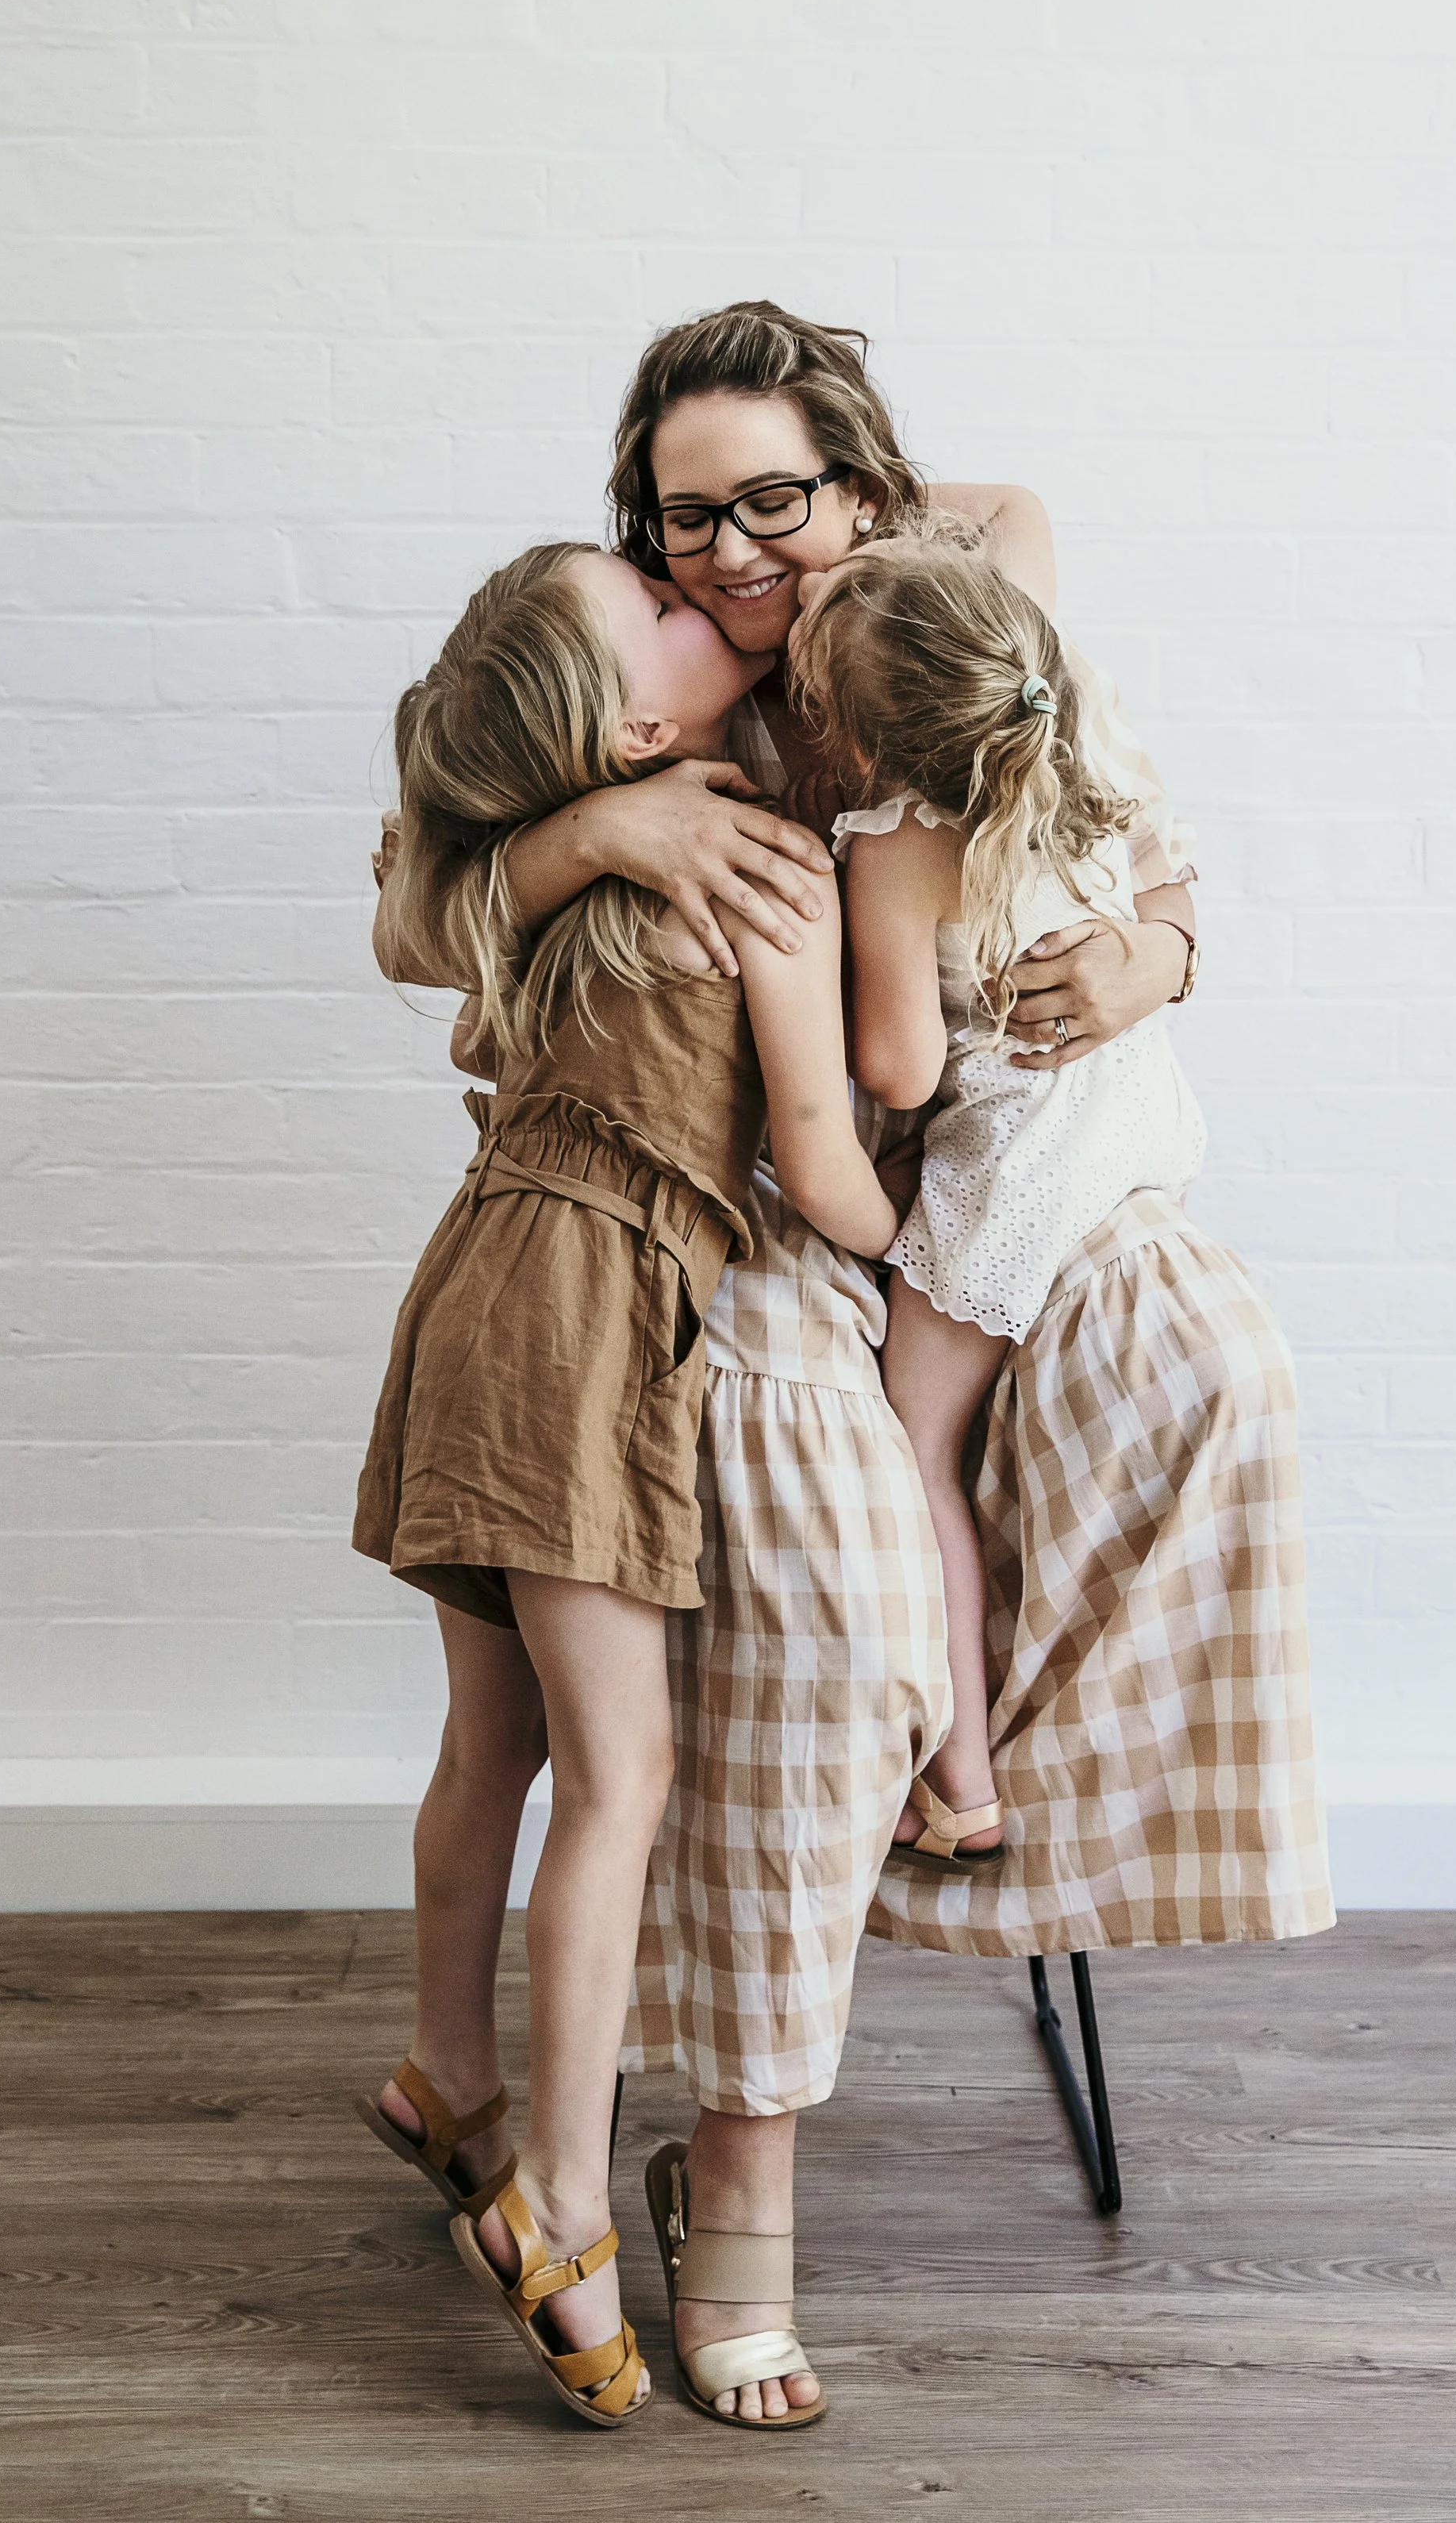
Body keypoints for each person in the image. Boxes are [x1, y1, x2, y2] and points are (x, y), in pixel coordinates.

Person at [446, 298, 1331, 2427]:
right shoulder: (634, 690)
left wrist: (1156, 949)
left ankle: (1007, 1820)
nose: (733, 556)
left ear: (863, 482)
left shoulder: (945, 613)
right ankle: (738, 2151)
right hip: (765, 1218)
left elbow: (1133, 819)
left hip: (1011, 1161)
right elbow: (425, 898)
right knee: (837, 1575)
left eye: (777, 500)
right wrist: (600, 832)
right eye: (686, 519)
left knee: (1215, 1369)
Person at [352, 539, 902, 2429]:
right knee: (625, 1778)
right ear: (629, 724)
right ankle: (564, 2206)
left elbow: (419, 905)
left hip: (484, 1280)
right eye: (657, 595)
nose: (704, 586)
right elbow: (823, 1165)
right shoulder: (745, 850)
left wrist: (587, 827)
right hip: (584, 1314)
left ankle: (446, 2073)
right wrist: (924, 1249)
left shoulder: (572, 838)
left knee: (490, 1749)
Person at [789, 529, 1209, 1867]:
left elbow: (901, 1064)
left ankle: (961, 1778)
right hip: (1138, 1113)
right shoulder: (1066, 754)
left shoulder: (893, 842)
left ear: (860, 745)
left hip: (1022, 1166)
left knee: (912, 1443)